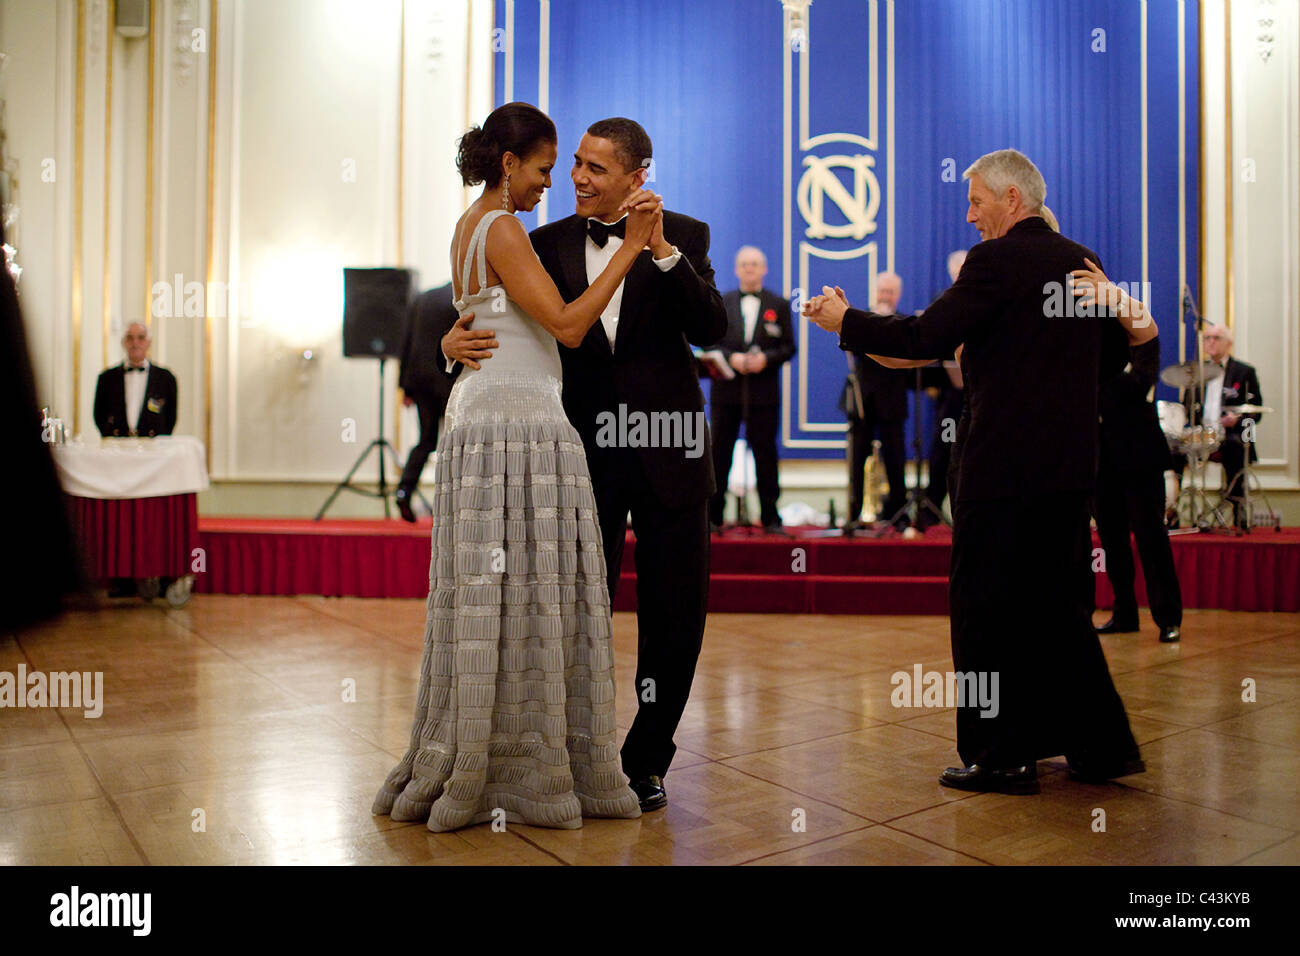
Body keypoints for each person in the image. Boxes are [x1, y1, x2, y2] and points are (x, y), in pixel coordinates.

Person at [804, 148, 1154, 795]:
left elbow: (923, 337)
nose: (969, 216)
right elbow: (1109, 361)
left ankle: (1002, 756)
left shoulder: (996, 261)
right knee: (1058, 609)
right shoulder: (1083, 263)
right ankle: (1098, 746)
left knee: (985, 610)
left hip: (1002, 471)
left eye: (976, 202)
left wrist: (842, 321)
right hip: (1071, 470)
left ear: (1011, 200)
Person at [372, 102, 663, 831]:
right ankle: (518, 759)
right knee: (529, 591)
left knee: (490, 594)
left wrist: (448, 344)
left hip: (483, 414)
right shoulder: (502, 227)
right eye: (542, 168)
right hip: (516, 422)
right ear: (509, 164)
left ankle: (485, 746)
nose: (550, 183)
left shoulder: (471, 225)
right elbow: (565, 325)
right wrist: (631, 248)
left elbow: (480, 319)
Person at [452, 117, 727, 812]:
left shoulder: (686, 237)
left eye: (595, 169)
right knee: (572, 612)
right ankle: (581, 752)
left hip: (671, 454)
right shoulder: (537, 238)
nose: (576, 177)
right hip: (575, 457)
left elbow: (713, 329)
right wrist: (444, 345)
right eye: (573, 163)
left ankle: (647, 759)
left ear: (638, 176)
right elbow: (493, 315)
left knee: (674, 618)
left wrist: (659, 250)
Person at [1094, 328, 1184, 643]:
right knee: (1112, 540)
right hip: (1101, 458)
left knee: (1152, 539)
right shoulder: (1091, 349)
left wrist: (1099, 386)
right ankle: (1125, 613)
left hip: (1140, 455)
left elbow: (1137, 385)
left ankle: (1168, 618)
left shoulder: (1144, 341)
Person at [708, 246, 795, 533]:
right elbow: (708, 341)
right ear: (736, 269)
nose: (749, 269)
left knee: (765, 454)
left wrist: (765, 360)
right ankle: (713, 517)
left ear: (763, 269)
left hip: (764, 393)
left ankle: (770, 517)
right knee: (720, 453)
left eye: (754, 264)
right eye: (744, 264)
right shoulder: (722, 301)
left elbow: (788, 348)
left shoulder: (779, 304)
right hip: (726, 392)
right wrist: (731, 358)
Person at [1169, 323, 1263, 529]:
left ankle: (1238, 513)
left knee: (1236, 449)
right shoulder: (1196, 372)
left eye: (1216, 338)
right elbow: (1187, 407)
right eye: (1207, 338)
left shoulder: (1243, 372)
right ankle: (1172, 511)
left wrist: (1236, 419)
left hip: (1228, 436)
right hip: (1199, 435)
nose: (1210, 342)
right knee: (1173, 452)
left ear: (1228, 343)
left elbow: (1256, 410)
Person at [840, 272, 909, 533]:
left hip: (892, 401)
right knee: (858, 458)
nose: (885, 296)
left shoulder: (904, 322)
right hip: (862, 400)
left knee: (896, 458)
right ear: (874, 292)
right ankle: (855, 512)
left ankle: (898, 514)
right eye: (882, 291)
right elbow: (850, 348)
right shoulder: (862, 319)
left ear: (897, 295)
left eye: (890, 292)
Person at [394, 283, 462, 522]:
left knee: (426, 440)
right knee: (456, 442)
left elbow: (406, 343)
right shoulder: (461, 298)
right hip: (448, 378)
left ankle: (405, 490)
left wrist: (404, 386)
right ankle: (450, 502)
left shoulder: (421, 298)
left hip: (419, 380)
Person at [919, 251, 968, 527]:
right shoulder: (943, 301)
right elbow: (931, 341)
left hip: (981, 392)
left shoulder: (984, 297)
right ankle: (932, 507)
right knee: (943, 450)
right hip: (950, 395)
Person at [93, 322, 178, 437]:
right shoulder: (106, 378)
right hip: (116, 447)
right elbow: (99, 414)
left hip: (153, 448)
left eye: (141, 338)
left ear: (149, 342)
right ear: (123, 342)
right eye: (130, 338)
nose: (135, 342)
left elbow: (170, 417)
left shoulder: (166, 378)